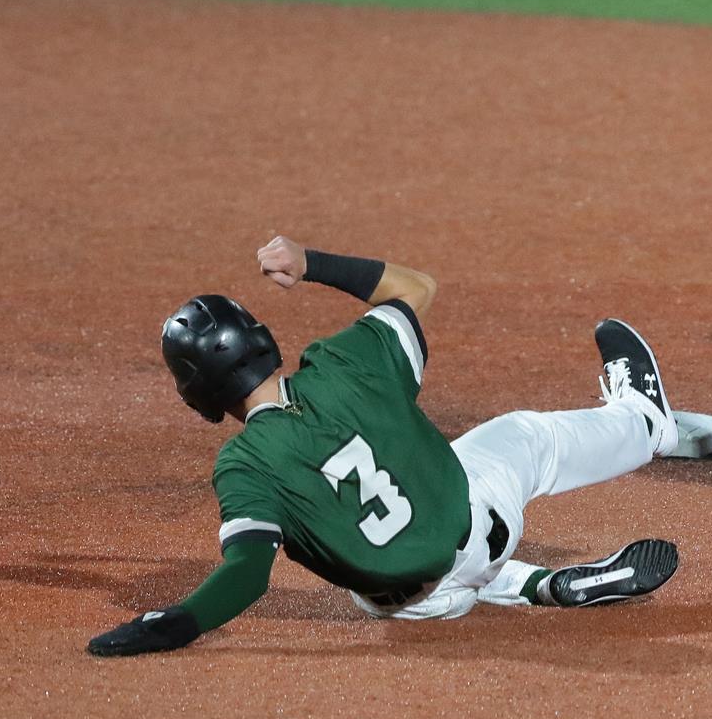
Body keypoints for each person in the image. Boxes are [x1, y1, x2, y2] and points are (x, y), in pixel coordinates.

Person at [88, 235, 681, 656]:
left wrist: (175, 625)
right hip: (481, 523)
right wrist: (308, 261)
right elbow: (415, 287)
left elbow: (247, 575)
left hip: (411, 605)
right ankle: (646, 421)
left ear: (199, 390)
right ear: (261, 339)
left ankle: (534, 587)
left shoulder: (243, 467)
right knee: (523, 437)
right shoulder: (343, 363)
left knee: (373, 552)